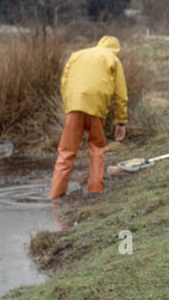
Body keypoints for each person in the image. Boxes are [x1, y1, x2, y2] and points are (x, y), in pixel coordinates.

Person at [49, 35, 128, 201]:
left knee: (66, 151)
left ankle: (55, 195)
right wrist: (120, 122)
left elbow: (64, 82)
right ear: (115, 50)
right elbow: (121, 94)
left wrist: (69, 107)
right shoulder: (113, 59)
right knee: (97, 148)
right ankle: (95, 190)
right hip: (97, 109)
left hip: (74, 106)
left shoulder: (77, 55)